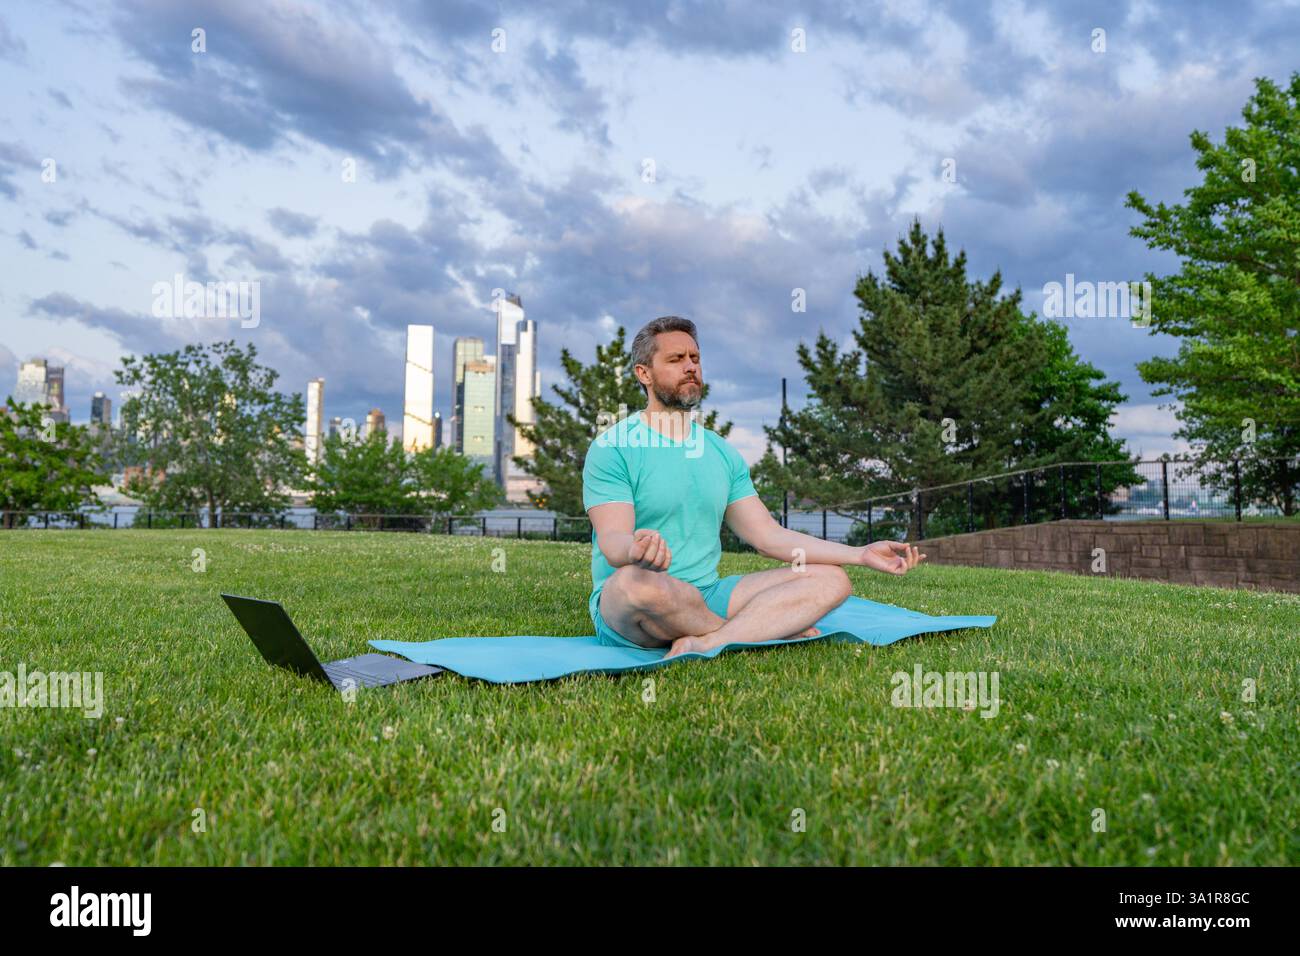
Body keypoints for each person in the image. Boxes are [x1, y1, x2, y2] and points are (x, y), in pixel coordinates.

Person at [583, 315, 926, 659]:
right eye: (676, 359)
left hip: (707, 594)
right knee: (633, 583)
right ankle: (758, 630)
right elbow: (613, 541)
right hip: (639, 600)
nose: (690, 367)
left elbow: (768, 536)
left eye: (695, 358)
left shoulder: (721, 452)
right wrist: (635, 550)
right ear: (644, 373)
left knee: (832, 579)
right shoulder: (614, 447)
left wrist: (860, 554)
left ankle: (709, 640)